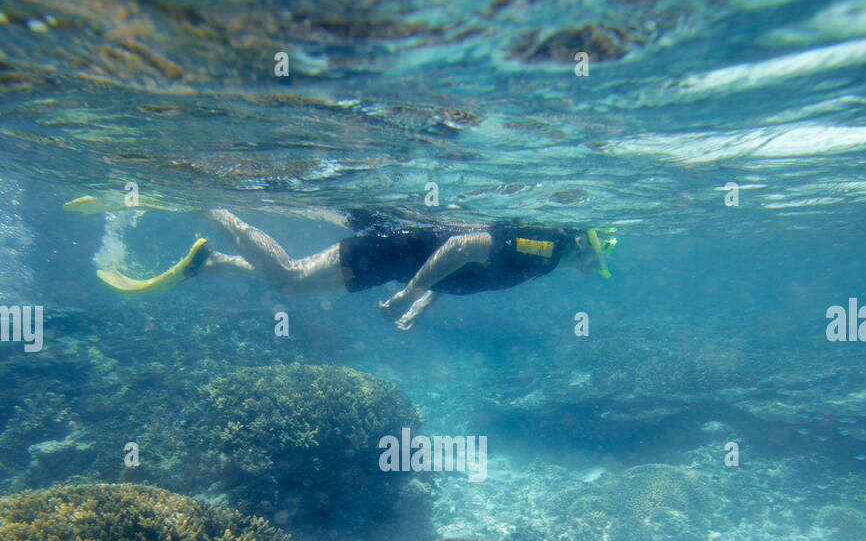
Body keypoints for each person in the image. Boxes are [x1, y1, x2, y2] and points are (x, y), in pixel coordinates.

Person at [82, 205, 616, 329]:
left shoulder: (548, 260)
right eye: (603, 257)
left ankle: (214, 260)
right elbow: (462, 246)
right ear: (589, 243)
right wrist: (411, 293)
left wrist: (424, 302)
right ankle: (209, 206)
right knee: (289, 276)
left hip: (394, 261)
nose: (599, 268)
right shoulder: (547, 244)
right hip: (392, 252)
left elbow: (469, 267)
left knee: (290, 289)